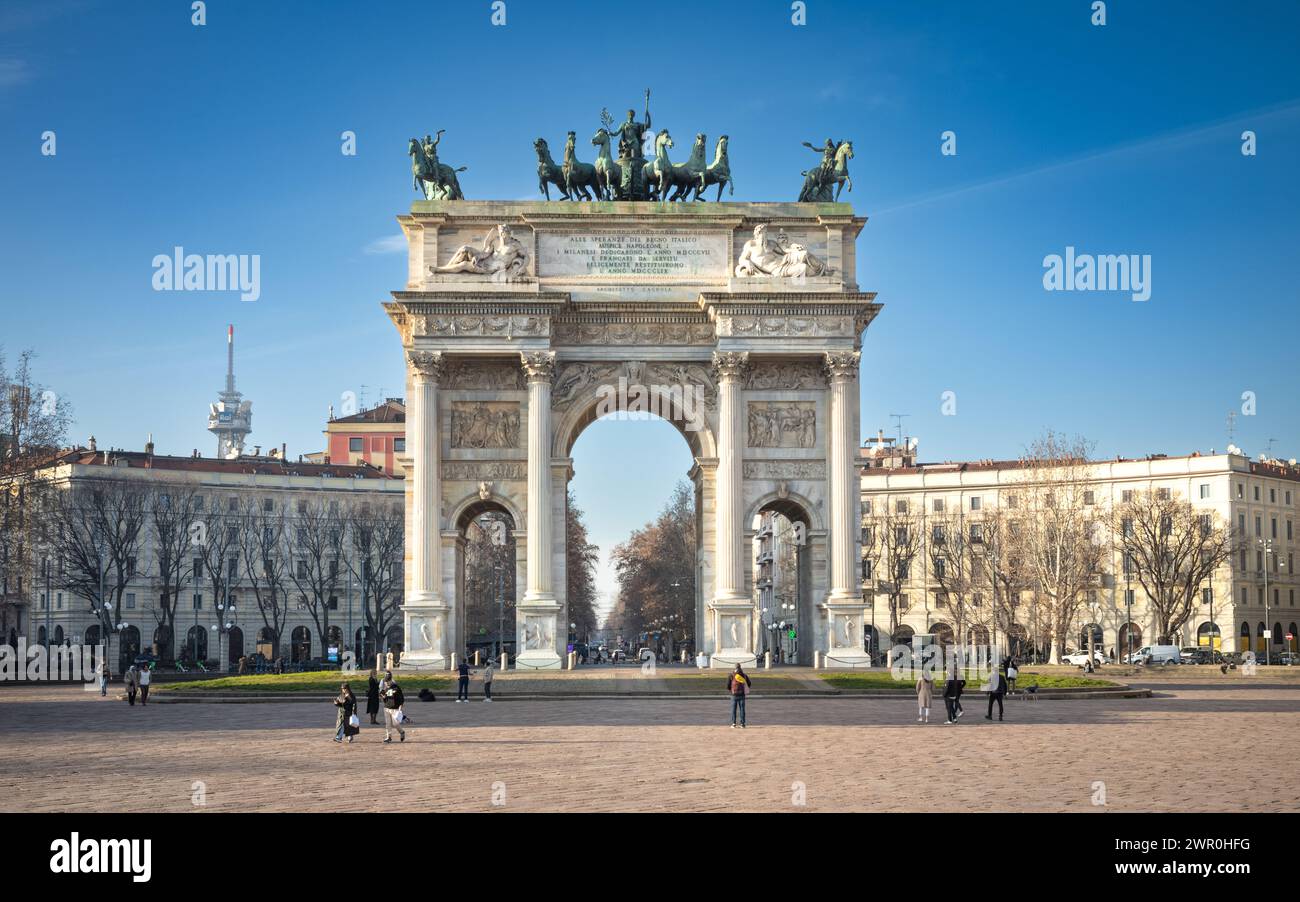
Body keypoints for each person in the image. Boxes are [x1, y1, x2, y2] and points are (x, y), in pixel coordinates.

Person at [380, 671, 406, 743]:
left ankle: (402, 732)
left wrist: (400, 707)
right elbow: (382, 696)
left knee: (395, 723)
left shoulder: (396, 688)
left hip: (395, 708)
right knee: (388, 723)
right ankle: (389, 737)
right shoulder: (385, 689)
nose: (386, 683)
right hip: (387, 708)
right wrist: (383, 696)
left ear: (391, 680)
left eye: (388, 681)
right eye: (385, 681)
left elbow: (401, 698)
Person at [727, 664, 750, 728]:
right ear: (740, 668)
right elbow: (749, 683)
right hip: (742, 694)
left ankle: (733, 723)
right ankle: (742, 724)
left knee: (733, 709)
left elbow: (728, 686)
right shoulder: (744, 675)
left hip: (734, 695)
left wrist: (731, 691)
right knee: (742, 709)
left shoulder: (731, 675)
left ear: (734, 668)